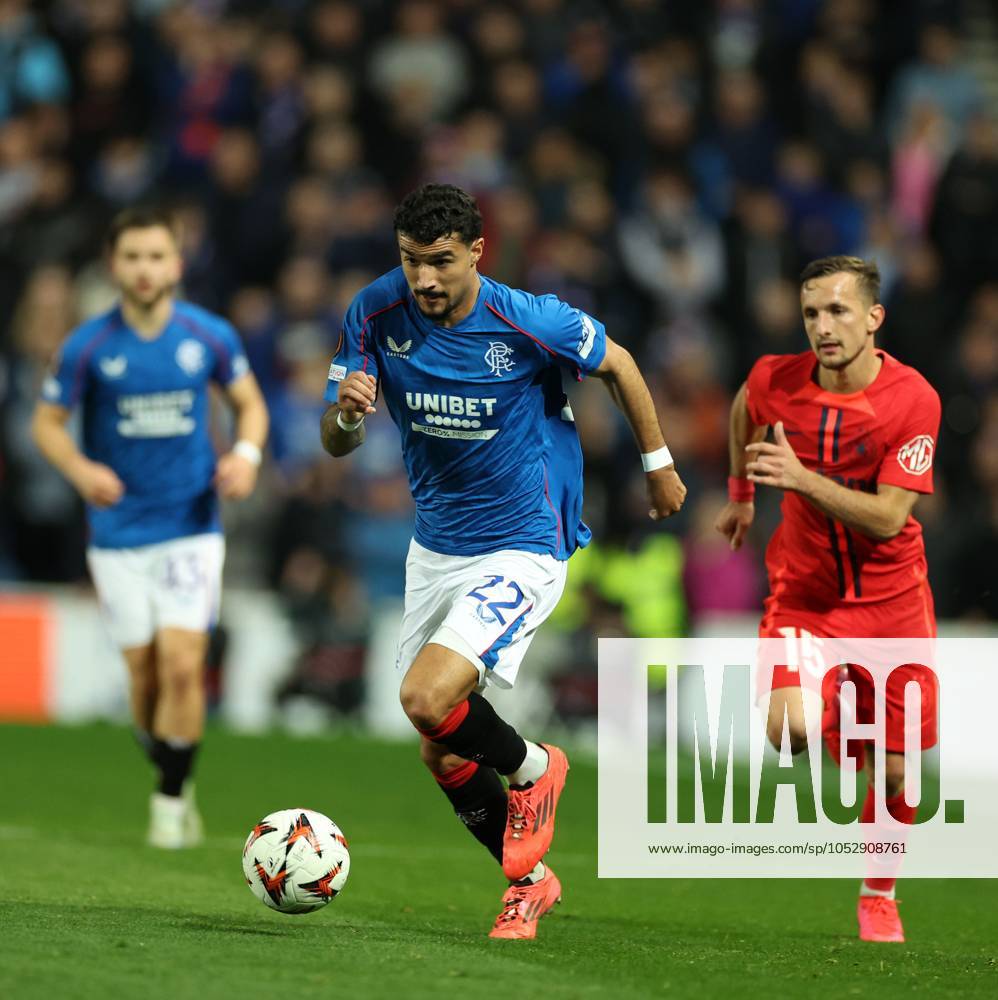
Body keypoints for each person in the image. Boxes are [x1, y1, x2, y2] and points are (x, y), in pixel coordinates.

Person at [321, 183, 686, 939]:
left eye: (442, 262)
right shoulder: (372, 312)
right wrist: (348, 417)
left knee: (426, 700)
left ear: (476, 252)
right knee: (439, 747)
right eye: (412, 261)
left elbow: (617, 363)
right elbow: (336, 441)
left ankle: (533, 768)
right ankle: (529, 882)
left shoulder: (526, 318)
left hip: (525, 541)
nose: (424, 280)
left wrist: (657, 462)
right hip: (438, 547)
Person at [714, 255, 940, 943]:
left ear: (874, 318)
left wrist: (800, 480)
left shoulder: (914, 399)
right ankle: (837, 715)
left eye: (839, 311)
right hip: (806, 592)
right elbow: (742, 412)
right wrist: (742, 494)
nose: (822, 326)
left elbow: (889, 517)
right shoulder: (773, 378)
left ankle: (879, 893)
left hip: (894, 599)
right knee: (792, 730)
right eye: (811, 312)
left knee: (900, 770)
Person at [31, 206, 269, 848]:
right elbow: (46, 423)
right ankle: (169, 764)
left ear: (177, 263)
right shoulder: (88, 346)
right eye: (132, 257)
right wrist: (82, 472)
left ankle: (170, 801)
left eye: (156, 256)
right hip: (118, 533)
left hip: (191, 525)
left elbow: (249, 405)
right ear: (114, 266)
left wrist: (244, 457)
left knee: (184, 665)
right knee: (145, 678)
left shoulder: (208, 336)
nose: (144, 269)